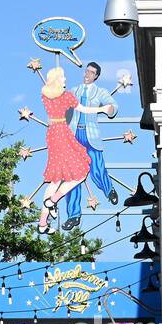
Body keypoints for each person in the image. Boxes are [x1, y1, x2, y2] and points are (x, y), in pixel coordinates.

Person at [62, 62, 119, 232]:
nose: (87, 74)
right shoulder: (74, 91)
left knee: (97, 168)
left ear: (96, 76)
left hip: (90, 136)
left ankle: (109, 190)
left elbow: (113, 107)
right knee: (72, 177)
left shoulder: (100, 92)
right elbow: (63, 109)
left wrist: (107, 109)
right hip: (73, 136)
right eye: (86, 71)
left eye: (91, 72)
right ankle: (73, 215)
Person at [37, 66, 92, 231]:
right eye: (63, 77)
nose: (65, 80)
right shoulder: (66, 96)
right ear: (57, 79)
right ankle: (53, 200)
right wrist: (102, 109)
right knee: (81, 171)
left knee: (55, 180)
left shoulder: (45, 96)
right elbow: (83, 109)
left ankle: (42, 223)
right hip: (62, 133)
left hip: (53, 133)